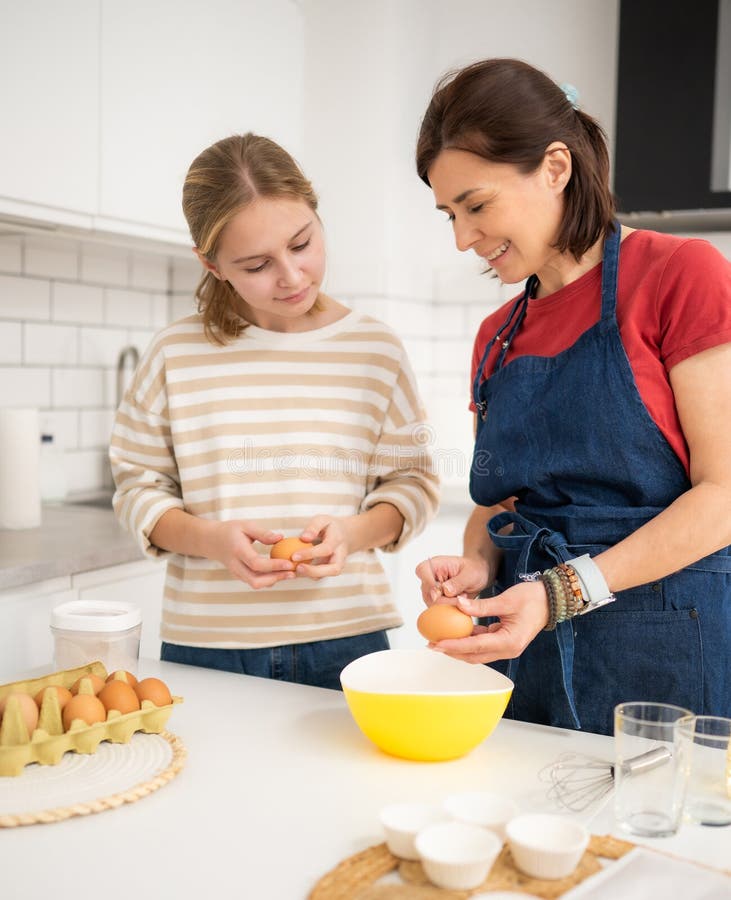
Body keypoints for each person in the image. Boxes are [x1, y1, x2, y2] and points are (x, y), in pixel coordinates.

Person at [413, 58, 731, 735]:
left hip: (663, 654)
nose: (462, 238)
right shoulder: (494, 336)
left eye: (475, 205)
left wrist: (559, 592)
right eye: (448, 214)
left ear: (554, 167)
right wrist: (475, 563)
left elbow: (723, 495)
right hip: (523, 653)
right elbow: (503, 503)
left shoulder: (678, 275)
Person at [110, 133, 439, 690]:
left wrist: (352, 534)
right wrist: (212, 540)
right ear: (211, 265)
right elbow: (137, 490)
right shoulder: (175, 353)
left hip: (347, 638)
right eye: (257, 263)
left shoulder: (374, 349)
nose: (291, 276)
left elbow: (412, 484)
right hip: (209, 643)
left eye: (302, 243)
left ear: (316, 215)